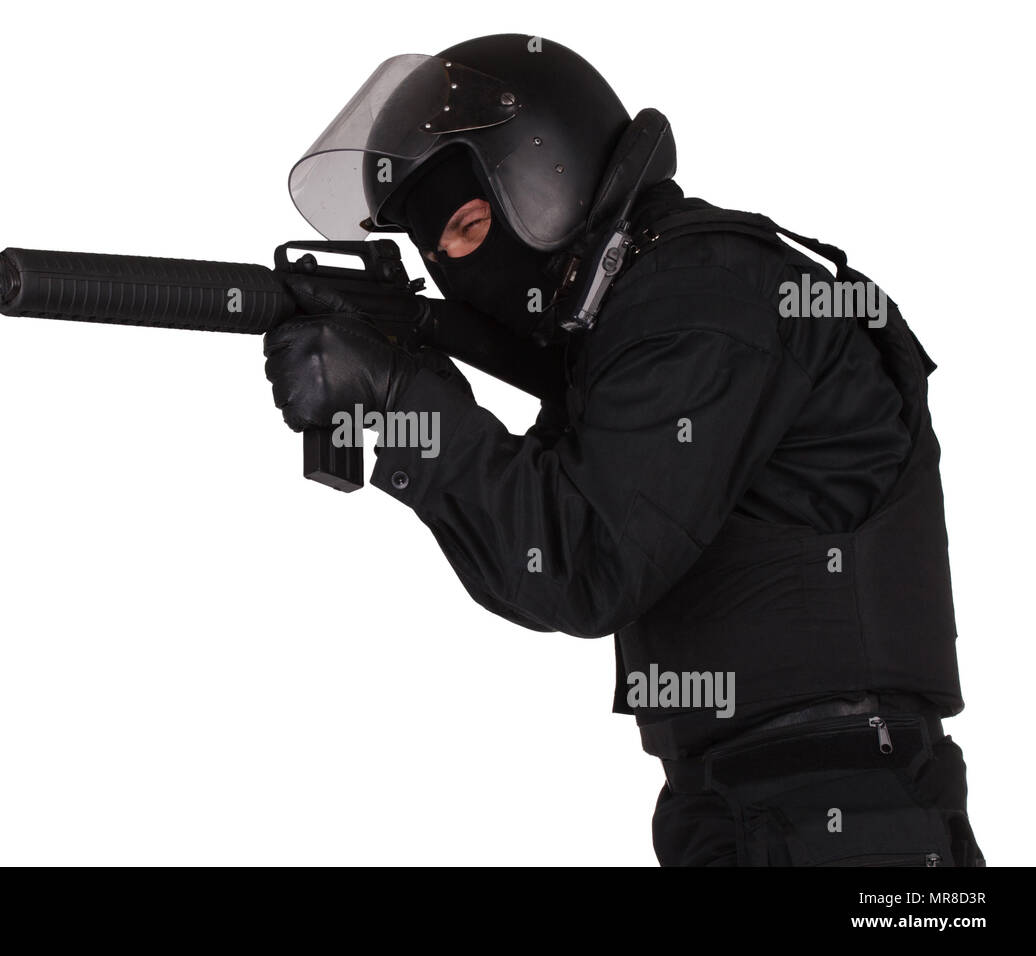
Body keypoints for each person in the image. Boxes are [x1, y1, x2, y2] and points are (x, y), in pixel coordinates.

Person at [264, 33, 984, 866]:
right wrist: (414, 387)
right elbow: (547, 525)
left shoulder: (699, 300)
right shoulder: (645, 310)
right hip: (759, 802)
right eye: (435, 252)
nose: (453, 268)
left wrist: (403, 399)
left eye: (468, 226)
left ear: (549, 178)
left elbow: (578, 562)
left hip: (838, 808)